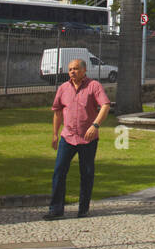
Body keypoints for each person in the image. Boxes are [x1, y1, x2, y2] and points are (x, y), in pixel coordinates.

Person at [46, 58, 110, 221]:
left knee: (86, 173)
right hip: (67, 137)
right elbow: (58, 111)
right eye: (70, 69)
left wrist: (95, 125)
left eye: (75, 69)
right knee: (59, 171)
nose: (72, 72)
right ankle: (56, 209)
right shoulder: (63, 88)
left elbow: (105, 105)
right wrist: (55, 133)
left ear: (84, 70)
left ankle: (83, 209)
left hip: (88, 139)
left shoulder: (94, 86)